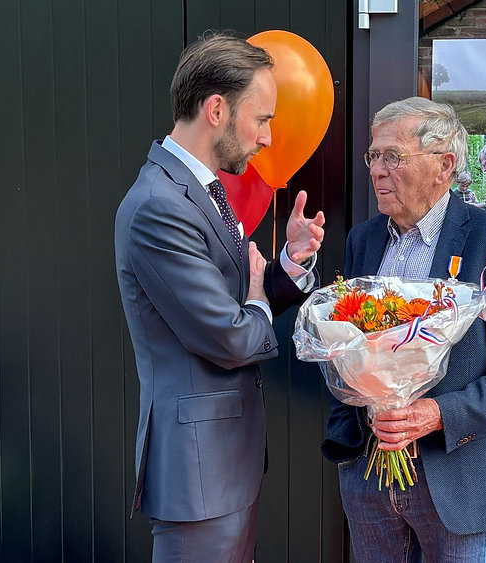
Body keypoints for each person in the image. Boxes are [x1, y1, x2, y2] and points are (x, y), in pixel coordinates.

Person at [114, 32, 326, 562]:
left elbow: (236, 299)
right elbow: (231, 337)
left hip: (224, 466)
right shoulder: (159, 207)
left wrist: (288, 267)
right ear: (216, 110)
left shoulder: (198, 188)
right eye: (263, 119)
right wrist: (256, 299)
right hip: (198, 478)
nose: (269, 139)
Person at [323, 97, 486, 562]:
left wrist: (436, 414)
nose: (377, 170)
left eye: (393, 156)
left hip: (459, 479)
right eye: (374, 156)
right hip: (370, 474)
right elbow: (349, 345)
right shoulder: (363, 240)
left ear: (444, 166)